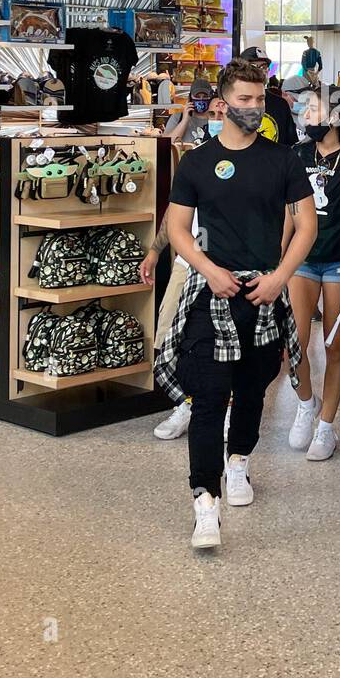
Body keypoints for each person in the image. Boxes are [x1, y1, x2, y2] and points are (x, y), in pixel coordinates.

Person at [158, 58, 318, 550]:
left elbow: (306, 226)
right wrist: (208, 270)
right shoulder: (198, 162)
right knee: (208, 398)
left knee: (253, 392)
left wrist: (280, 279)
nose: (253, 107)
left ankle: (239, 464)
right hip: (211, 293)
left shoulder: (284, 159)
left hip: (265, 294)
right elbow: (178, 228)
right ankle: (204, 503)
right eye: (244, 100)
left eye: (260, 99)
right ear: (224, 103)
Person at [283, 86, 340, 461]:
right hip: (301, 262)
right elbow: (288, 214)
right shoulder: (297, 154)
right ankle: (306, 403)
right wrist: (278, 262)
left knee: (335, 347)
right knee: (293, 345)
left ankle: (326, 425)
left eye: (313, 108)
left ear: (336, 116)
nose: (306, 114)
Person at [143, 92, 228, 440]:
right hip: (189, 256)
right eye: (216, 104)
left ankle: (224, 409)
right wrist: (154, 250)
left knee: (225, 339)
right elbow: (177, 214)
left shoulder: (258, 157)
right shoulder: (194, 157)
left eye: (225, 103)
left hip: (232, 262)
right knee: (168, 333)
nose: (219, 109)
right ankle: (188, 403)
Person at [237, 45, 298, 145]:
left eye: (263, 67)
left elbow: (291, 143)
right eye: (253, 67)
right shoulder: (233, 103)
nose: (260, 71)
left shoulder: (280, 104)